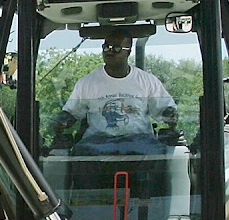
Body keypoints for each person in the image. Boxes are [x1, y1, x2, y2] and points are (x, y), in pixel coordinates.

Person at [49, 29, 179, 153]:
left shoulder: (147, 81)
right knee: (81, 153)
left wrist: (170, 114)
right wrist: (62, 120)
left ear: (128, 52)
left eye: (116, 48)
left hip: (139, 142)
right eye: (106, 47)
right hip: (98, 144)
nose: (109, 52)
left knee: (157, 153)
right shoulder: (87, 83)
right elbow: (72, 112)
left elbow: (164, 109)